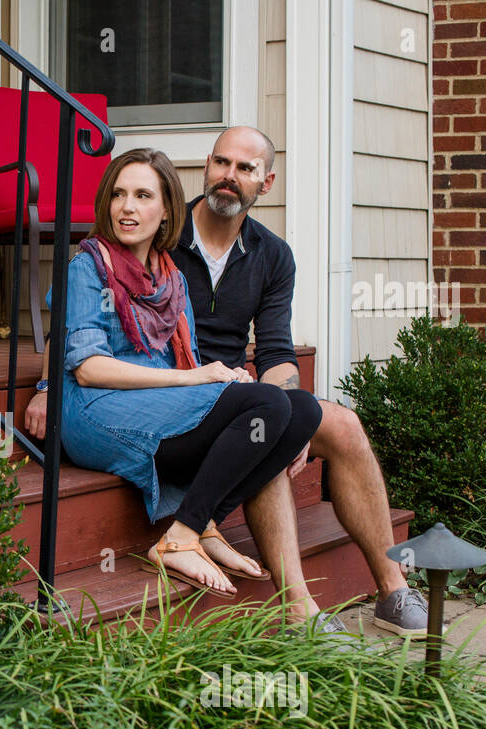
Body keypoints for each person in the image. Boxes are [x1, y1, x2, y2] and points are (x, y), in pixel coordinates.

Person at [26, 127, 428, 635]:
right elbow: (78, 346)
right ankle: (273, 591)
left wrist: (262, 403)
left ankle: (390, 588)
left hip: (195, 391)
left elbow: (275, 351)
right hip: (144, 397)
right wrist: (46, 386)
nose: (229, 176)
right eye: (221, 163)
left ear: (266, 181)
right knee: (265, 418)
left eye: (244, 168)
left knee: (311, 416)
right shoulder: (116, 257)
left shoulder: (225, 262)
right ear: (204, 170)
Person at [42, 147, 323, 608]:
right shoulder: (88, 267)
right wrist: (196, 380)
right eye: (117, 194)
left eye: (142, 195)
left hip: (155, 410)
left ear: (167, 208)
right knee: (266, 404)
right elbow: (88, 369)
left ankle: (198, 524)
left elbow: (185, 359)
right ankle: (184, 535)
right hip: (95, 413)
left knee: (302, 410)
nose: (127, 207)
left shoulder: (170, 276)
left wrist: (215, 378)